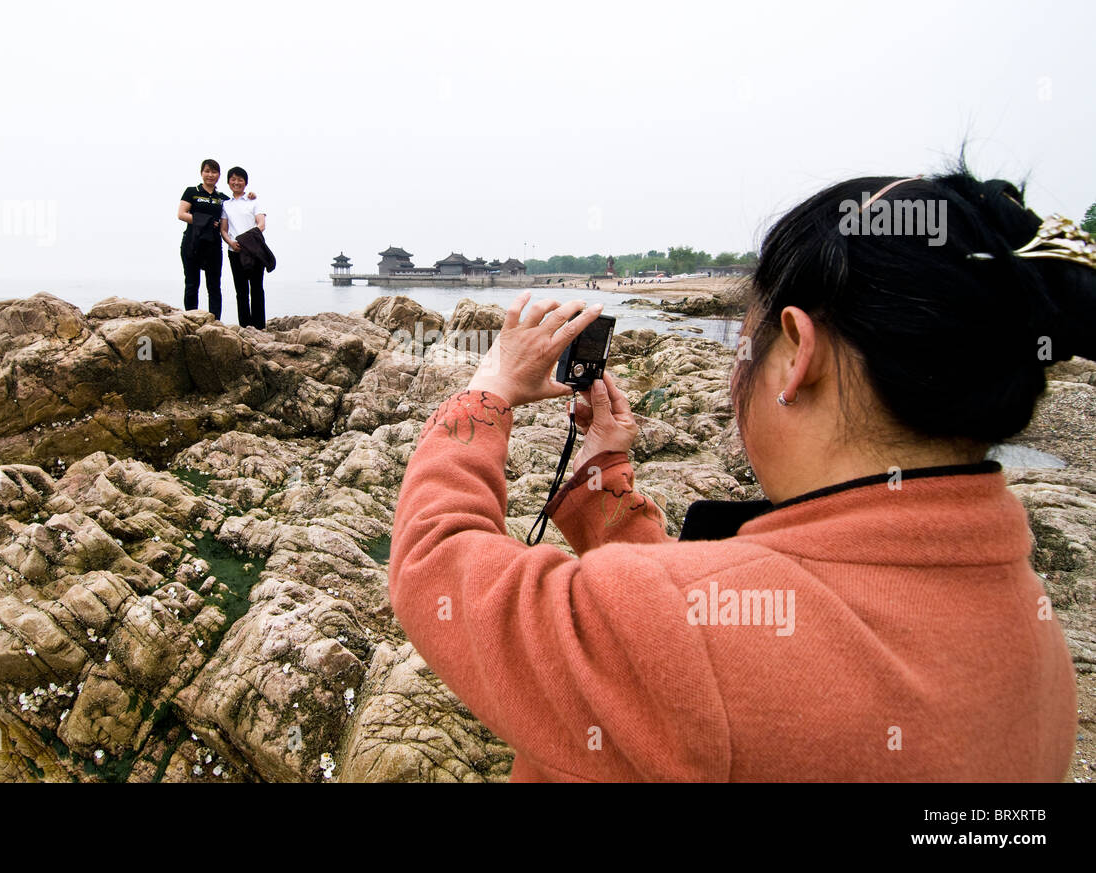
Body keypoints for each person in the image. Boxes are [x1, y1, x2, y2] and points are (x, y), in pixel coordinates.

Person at [389, 165, 1093, 782]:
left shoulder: (701, 650)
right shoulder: (1038, 650)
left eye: (743, 343)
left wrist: (487, 391)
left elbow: (436, 565)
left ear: (797, 354)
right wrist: (607, 481)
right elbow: (713, 639)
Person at [177, 160, 229, 320]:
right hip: (192, 243)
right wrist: (206, 221)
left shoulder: (222, 198)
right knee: (192, 284)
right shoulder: (192, 191)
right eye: (207, 171)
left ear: (219, 175)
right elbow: (181, 214)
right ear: (202, 173)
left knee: (214, 286)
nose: (210, 175)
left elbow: (239, 206)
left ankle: (215, 322)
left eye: (214, 172)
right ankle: (191, 320)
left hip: (213, 245)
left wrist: (250, 196)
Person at [220, 166, 269, 329]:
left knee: (256, 288)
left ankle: (259, 326)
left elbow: (261, 224)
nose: (236, 182)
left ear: (245, 182)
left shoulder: (253, 201)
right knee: (241, 291)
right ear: (228, 182)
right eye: (233, 179)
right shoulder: (225, 204)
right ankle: (245, 326)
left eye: (240, 179)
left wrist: (247, 239)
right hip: (235, 251)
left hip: (254, 250)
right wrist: (230, 242)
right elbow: (223, 229)